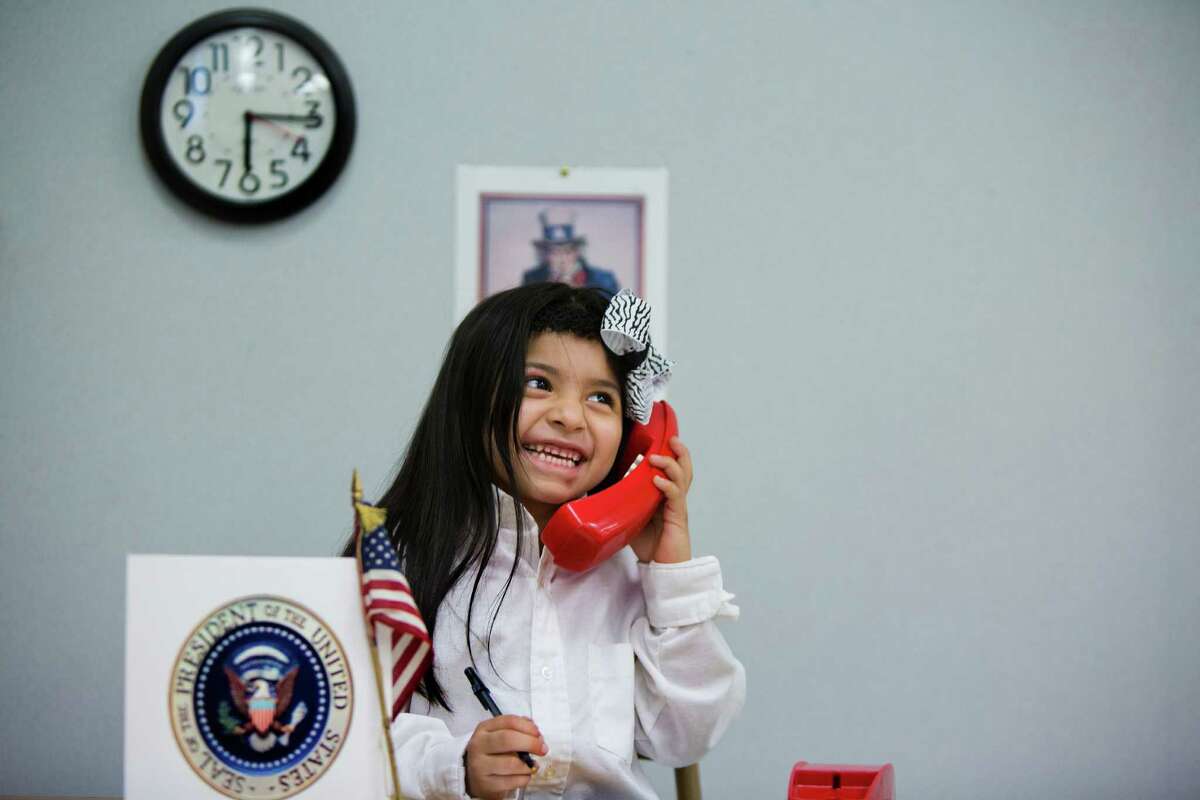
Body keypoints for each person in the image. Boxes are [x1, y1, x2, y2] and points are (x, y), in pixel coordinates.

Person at [348, 283, 744, 799]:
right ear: (472, 399)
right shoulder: (398, 561)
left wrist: (670, 576)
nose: (570, 416)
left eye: (601, 398)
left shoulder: (625, 575)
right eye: (538, 384)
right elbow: (349, 733)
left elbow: (686, 737)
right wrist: (454, 766)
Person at [521, 209, 621, 296]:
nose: (562, 259)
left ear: (577, 252)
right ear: (546, 254)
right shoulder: (532, 279)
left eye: (567, 252)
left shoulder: (603, 280)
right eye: (555, 253)